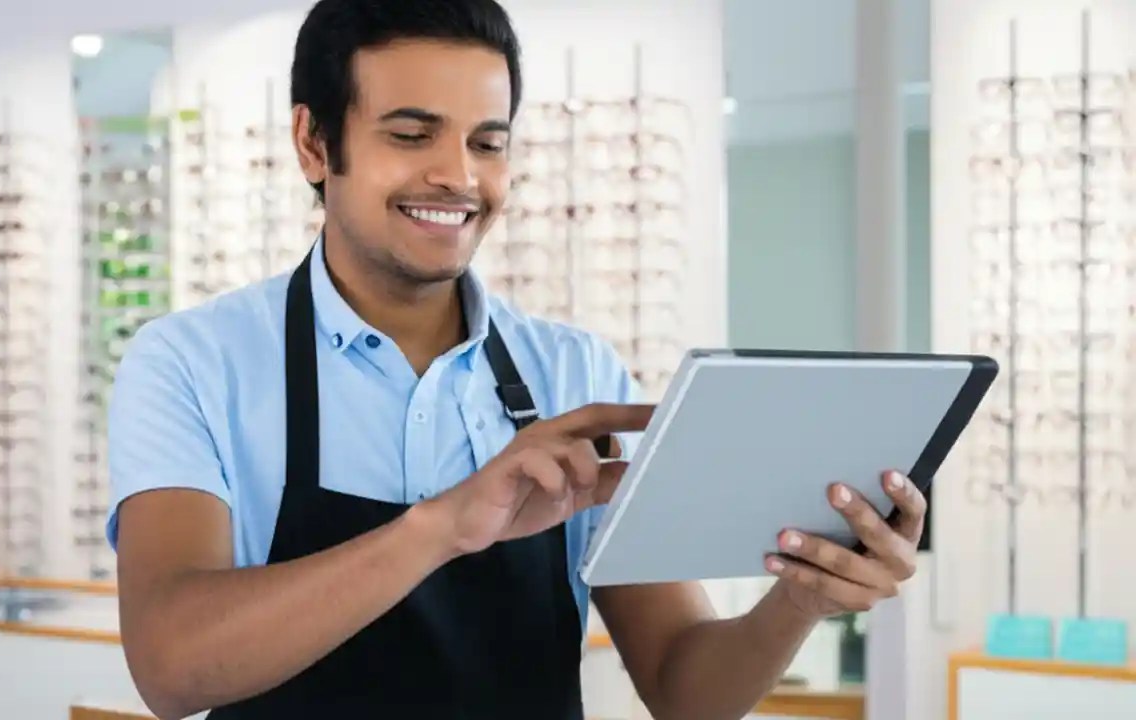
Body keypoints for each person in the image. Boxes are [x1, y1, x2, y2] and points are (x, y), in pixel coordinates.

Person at [106, 0, 928, 718]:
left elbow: (686, 692)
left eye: (487, 143)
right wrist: (442, 526)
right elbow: (170, 668)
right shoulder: (193, 364)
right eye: (411, 135)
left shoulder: (576, 376)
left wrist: (801, 598)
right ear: (314, 143)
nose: (458, 176)